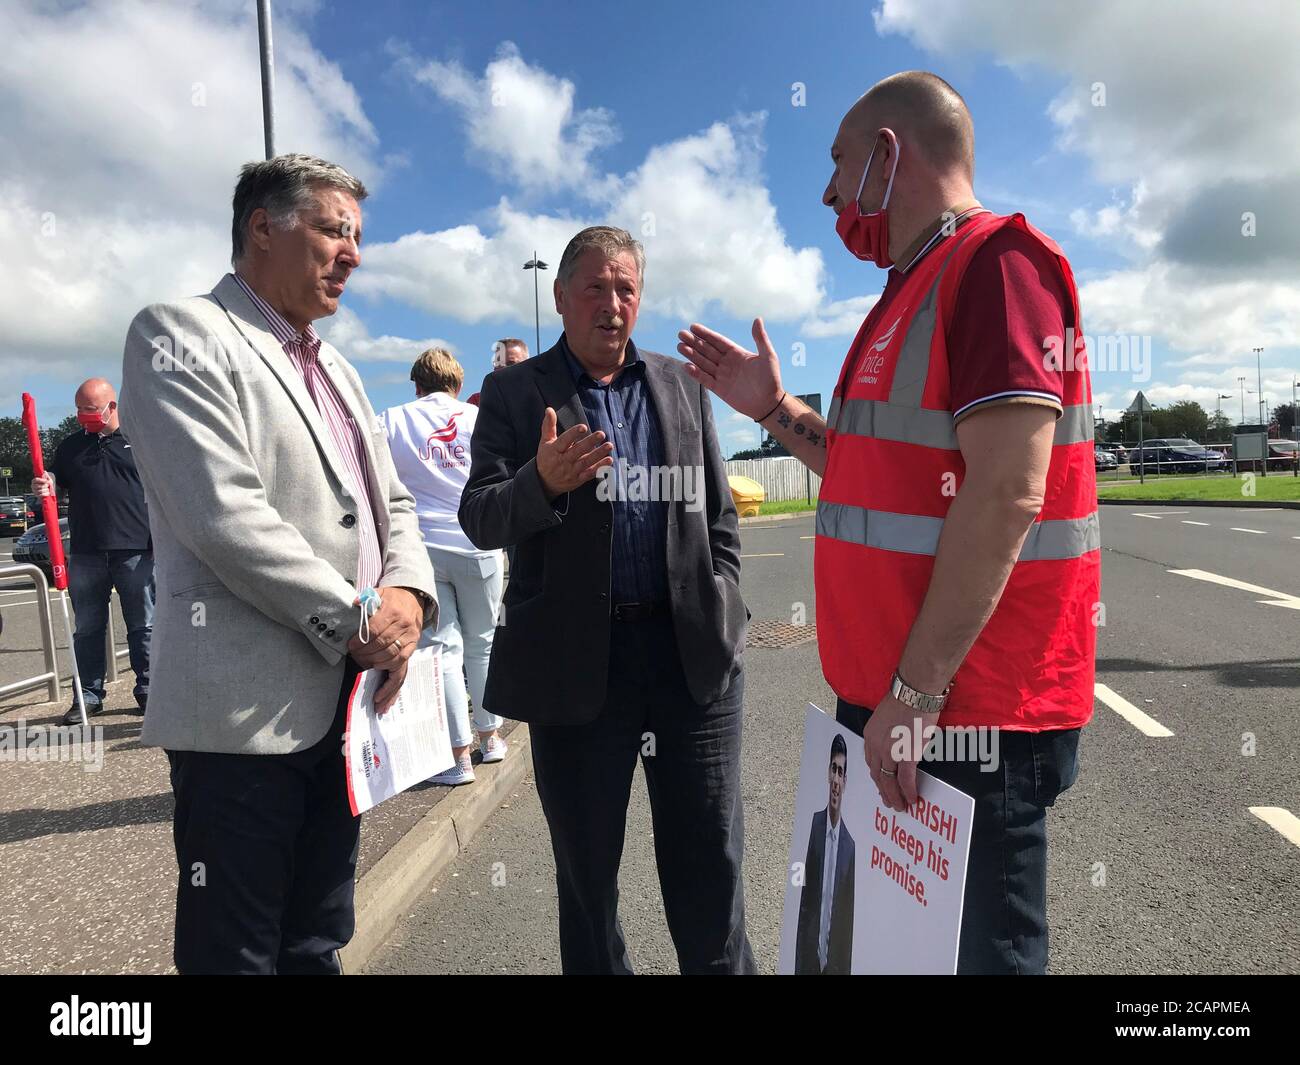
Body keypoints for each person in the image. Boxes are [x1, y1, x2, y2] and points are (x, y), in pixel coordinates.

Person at [678, 71, 1098, 975]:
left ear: (888, 155)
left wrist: (914, 696)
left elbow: (1005, 491)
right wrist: (773, 407)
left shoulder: (998, 265)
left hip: (967, 709)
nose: (829, 192)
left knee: (987, 955)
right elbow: (875, 474)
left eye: (838, 162)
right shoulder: (908, 293)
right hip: (907, 704)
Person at [119, 153, 438, 975]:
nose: (355, 253)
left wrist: (409, 596)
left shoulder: (335, 365)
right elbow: (226, 517)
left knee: (316, 937)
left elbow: (391, 503)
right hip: (244, 719)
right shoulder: (179, 333)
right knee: (237, 953)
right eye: (336, 229)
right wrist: (364, 622)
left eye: (358, 235)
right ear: (263, 226)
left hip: (346, 706)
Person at [460, 225, 754, 975]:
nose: (612, 303)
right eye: (595, 287)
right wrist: (543, 482)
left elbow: (718, 513)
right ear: (560, 297)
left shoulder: (681, 383)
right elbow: (481, 515)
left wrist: (724, 599)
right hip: (578, 668)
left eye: (625, 288)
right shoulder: (514, 392)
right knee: (587, 874)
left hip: (691, 659)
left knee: (710, 861)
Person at [380, 347, 506, 786]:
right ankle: (490, 738)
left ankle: (458, 758)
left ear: (416, 385)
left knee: (444, 649)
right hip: (481, 541)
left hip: (425, 547)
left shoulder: (392, 420)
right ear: (457, 384)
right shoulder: (478, 418)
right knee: (483, 643)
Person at [33, 378, 154, 724]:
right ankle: (87, 695)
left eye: (89, 409)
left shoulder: (140, 440)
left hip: (136, 549)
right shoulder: (71, 446)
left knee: (144, 625)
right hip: (86, 551)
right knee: (87, 627)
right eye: (78, 409)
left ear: (111, 407)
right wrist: (47, 483)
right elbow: (55, 479)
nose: (81, 416)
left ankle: (149, 690)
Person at [795, 734, 856, 975]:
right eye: (834, 769)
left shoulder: (850, 848)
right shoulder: (812, 826)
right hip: (807, 960)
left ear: (846, 781)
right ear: (827, 773)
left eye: (841, 772)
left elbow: (847, 924)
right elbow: (799, 889)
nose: (836, 780)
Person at [466, 338, 529, 406]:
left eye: (511, 363)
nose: (503, 368)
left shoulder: (539, 400)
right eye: (499, 364)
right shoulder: (477, 401)